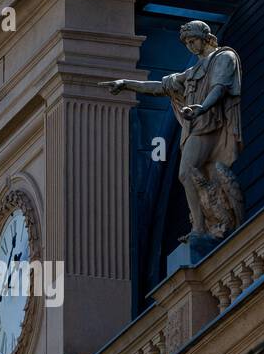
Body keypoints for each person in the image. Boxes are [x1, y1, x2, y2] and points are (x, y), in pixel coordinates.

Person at [100, 19, 243, 241]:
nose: (190, 46)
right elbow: (160, 87)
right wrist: (126, 83)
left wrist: (202, 108)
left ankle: (199, 228)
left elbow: (220, 87)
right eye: (187, 43)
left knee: (186, 172)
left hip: (208, 125)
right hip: (195, 127)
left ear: (205, 37)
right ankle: (204, 224)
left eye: (193, 40)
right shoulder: (193, 71)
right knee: (193, 174)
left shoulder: (224, 57)